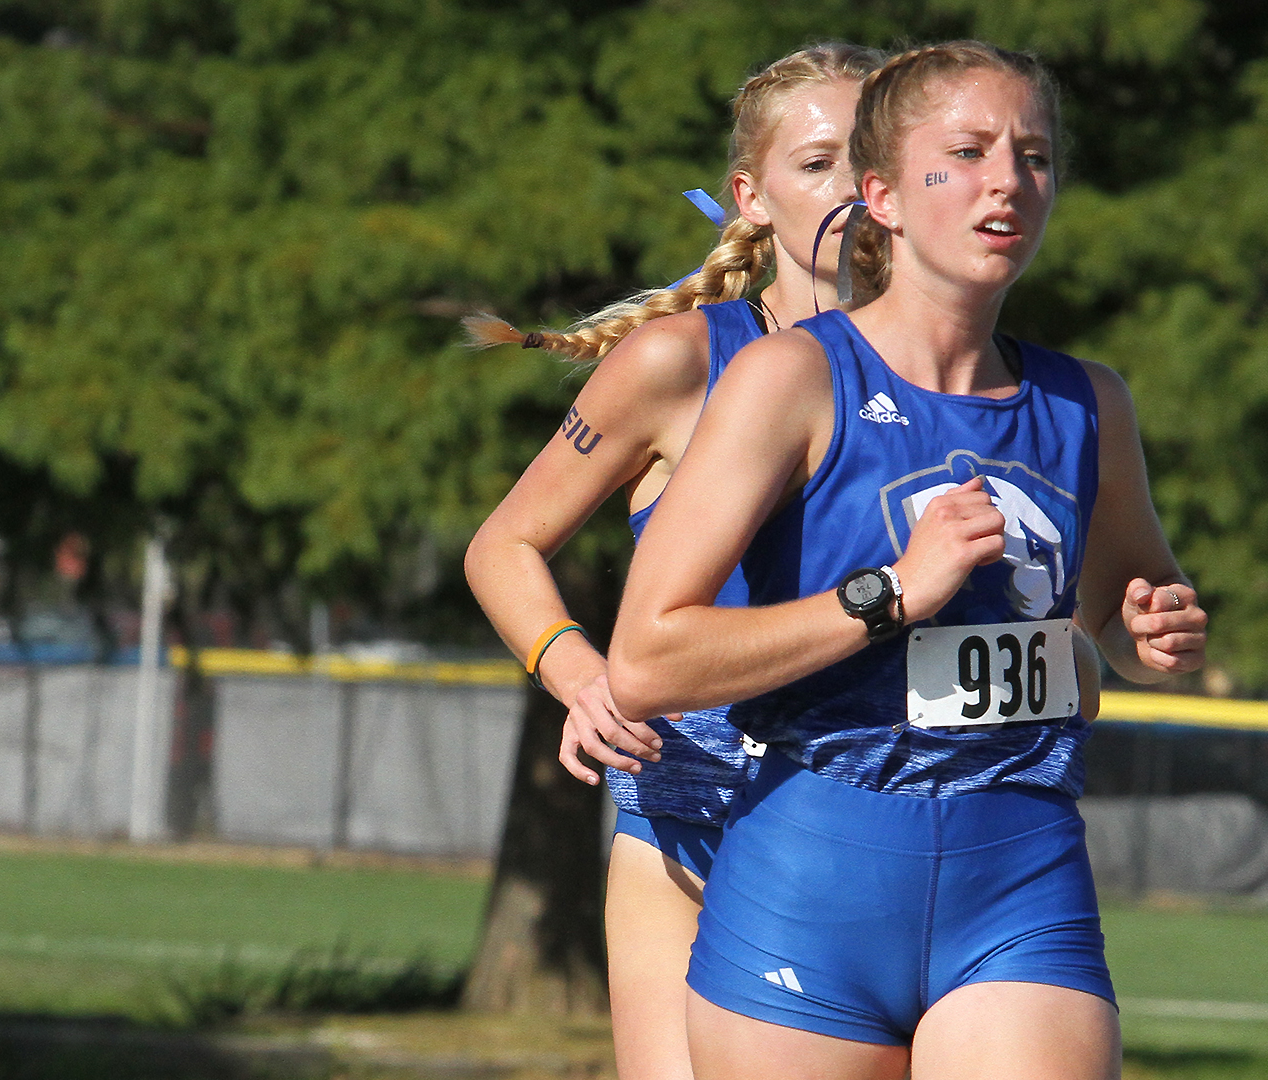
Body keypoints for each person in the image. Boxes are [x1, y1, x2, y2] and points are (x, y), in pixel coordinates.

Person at [606, 40, 1208, 1080]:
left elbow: (1119, 609)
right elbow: (648, 661)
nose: (1007, 183)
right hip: (810, 883)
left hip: (1019, 877)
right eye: (967, 152)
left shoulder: (1088, 402)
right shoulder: (789, 378)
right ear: (880, 195)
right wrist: (891, 596)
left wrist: (1151, 629)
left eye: (1034, 156)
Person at [462, 43, 884, 1080]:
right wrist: (578, 675)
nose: (850, 194)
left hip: (883, 838)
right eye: (818, 163)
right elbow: (504, 541)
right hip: (688, 830)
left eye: (871, 161)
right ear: (751, 195)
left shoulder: (961, 373)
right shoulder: (681, 359)